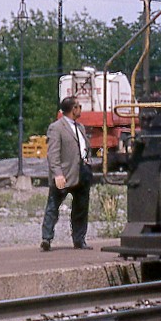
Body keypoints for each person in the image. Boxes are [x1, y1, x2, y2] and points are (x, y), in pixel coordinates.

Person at [41, 96, 94, 251]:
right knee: (53, 206)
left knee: (81, 208)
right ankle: (46, 238)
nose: (81, 109)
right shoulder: (56, 128)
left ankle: (79, 240)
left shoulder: (81, 128)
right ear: (73, 109)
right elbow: (53, 153)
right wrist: (58, 174)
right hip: (64, 174)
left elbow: (86, 149)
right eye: (79, 106)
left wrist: (99, 154)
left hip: (82, 173)